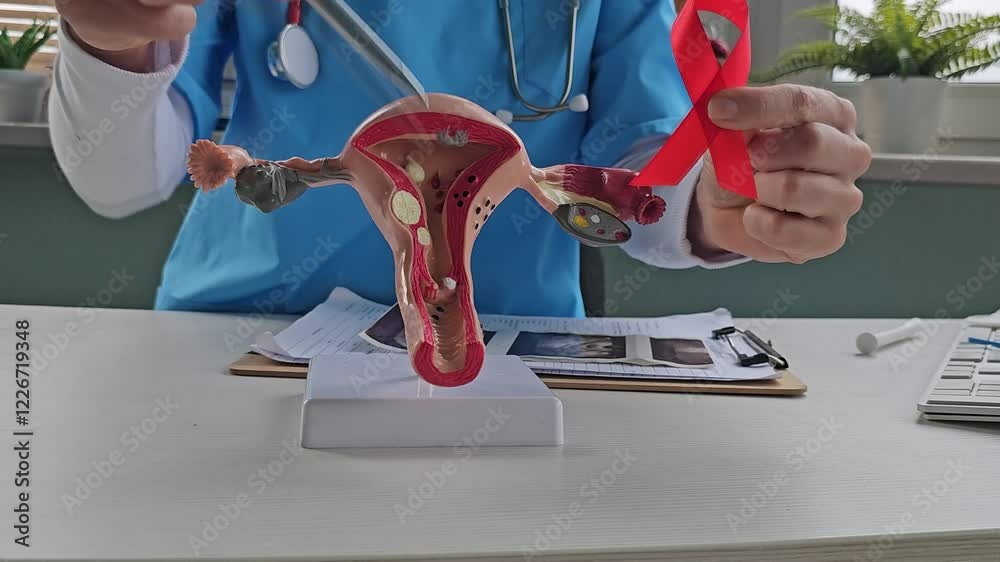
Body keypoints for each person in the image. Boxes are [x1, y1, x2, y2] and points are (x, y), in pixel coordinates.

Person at [49, 0, 871, 316]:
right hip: (233, 349)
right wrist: (107, 42)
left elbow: (640, 182)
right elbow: (126, 180)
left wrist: (714, 206)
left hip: (509, 362)